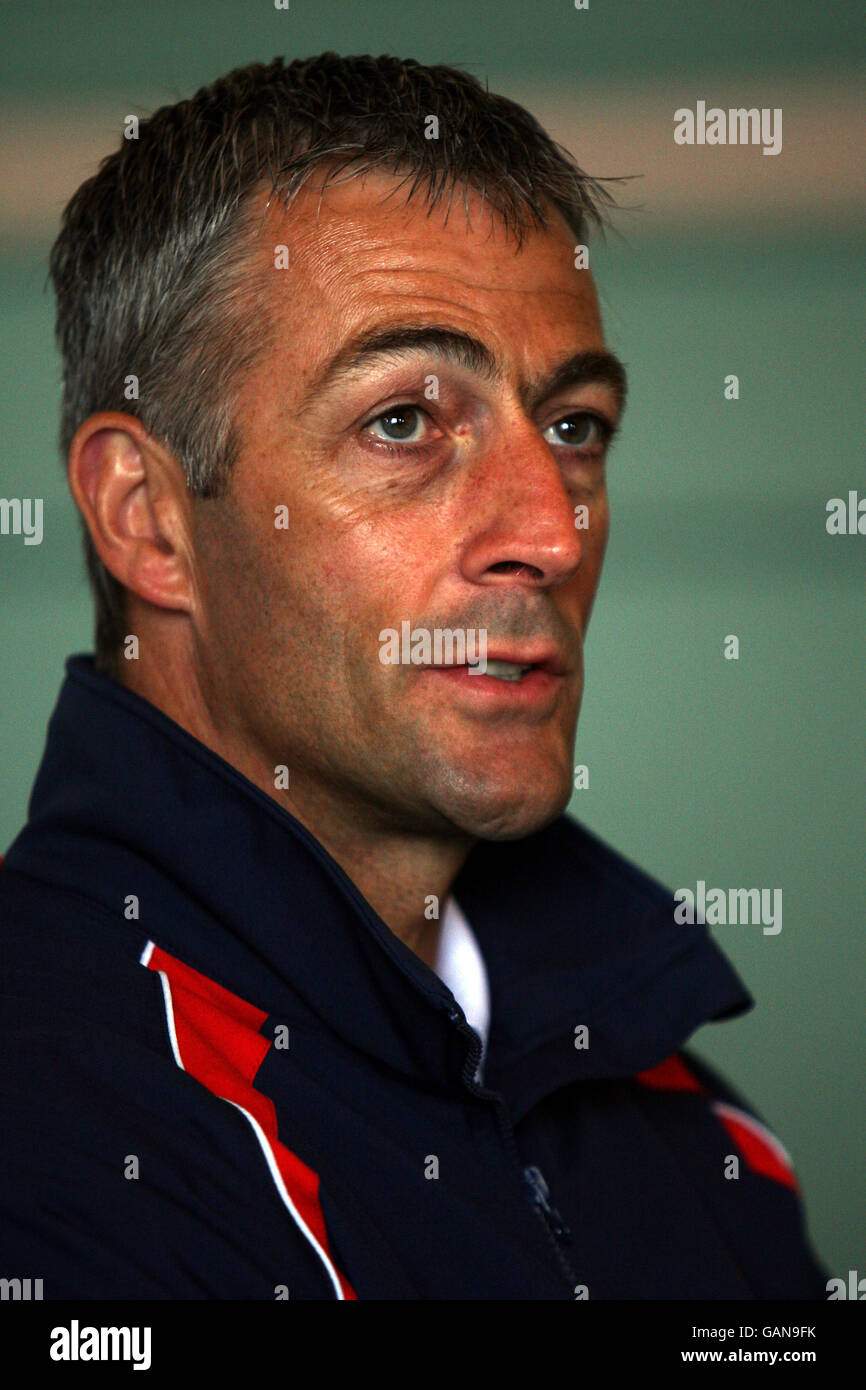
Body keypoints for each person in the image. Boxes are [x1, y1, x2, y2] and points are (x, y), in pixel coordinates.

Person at [0, 52, 826, 1299]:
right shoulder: (48, 1136)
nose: (550, 529)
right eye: (404, 422)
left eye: (572, 428)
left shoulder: (697, 1130)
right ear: (149, 519)